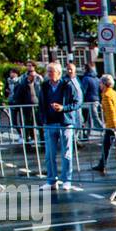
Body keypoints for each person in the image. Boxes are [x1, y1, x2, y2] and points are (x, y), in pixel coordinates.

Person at [38, 61, 81, 190]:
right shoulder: (45, 85)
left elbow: (77, 102)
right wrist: (42, 119)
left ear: (58, 73)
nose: (49, 74)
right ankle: (51, 180)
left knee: (66, 153)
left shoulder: (68, 84)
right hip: (50, 122)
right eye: (48, 72)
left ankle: (67, 180)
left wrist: (64, 108)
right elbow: (41, 104)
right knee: (49, 154)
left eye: (52, 72)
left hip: (64, 122)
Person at [92, 73, 116, 174]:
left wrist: (113, 125)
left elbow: (111, 111)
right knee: (107, 144)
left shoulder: (106, 95)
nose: (99, 85)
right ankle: (102, 164)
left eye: (101, 83)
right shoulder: (114, 93)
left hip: (114, 125)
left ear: (104, 84)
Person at [12, 61, 41, 144]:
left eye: (31, 65)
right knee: (28, 121)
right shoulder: (22, 78)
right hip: (26, 103)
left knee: (39, 121)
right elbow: (18, 90)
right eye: (27, 65)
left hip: (37, 103)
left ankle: (41, 139)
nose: (29, 67)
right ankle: (29, 138)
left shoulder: (39, 78)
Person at [80, 64, 101, 141]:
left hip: (88, 101)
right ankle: (86, 135)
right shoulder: (97, 78)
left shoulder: (86, 78)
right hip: (96, 100)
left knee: (90, 118)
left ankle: (105, 131)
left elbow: (83, 90)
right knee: (92, 118)